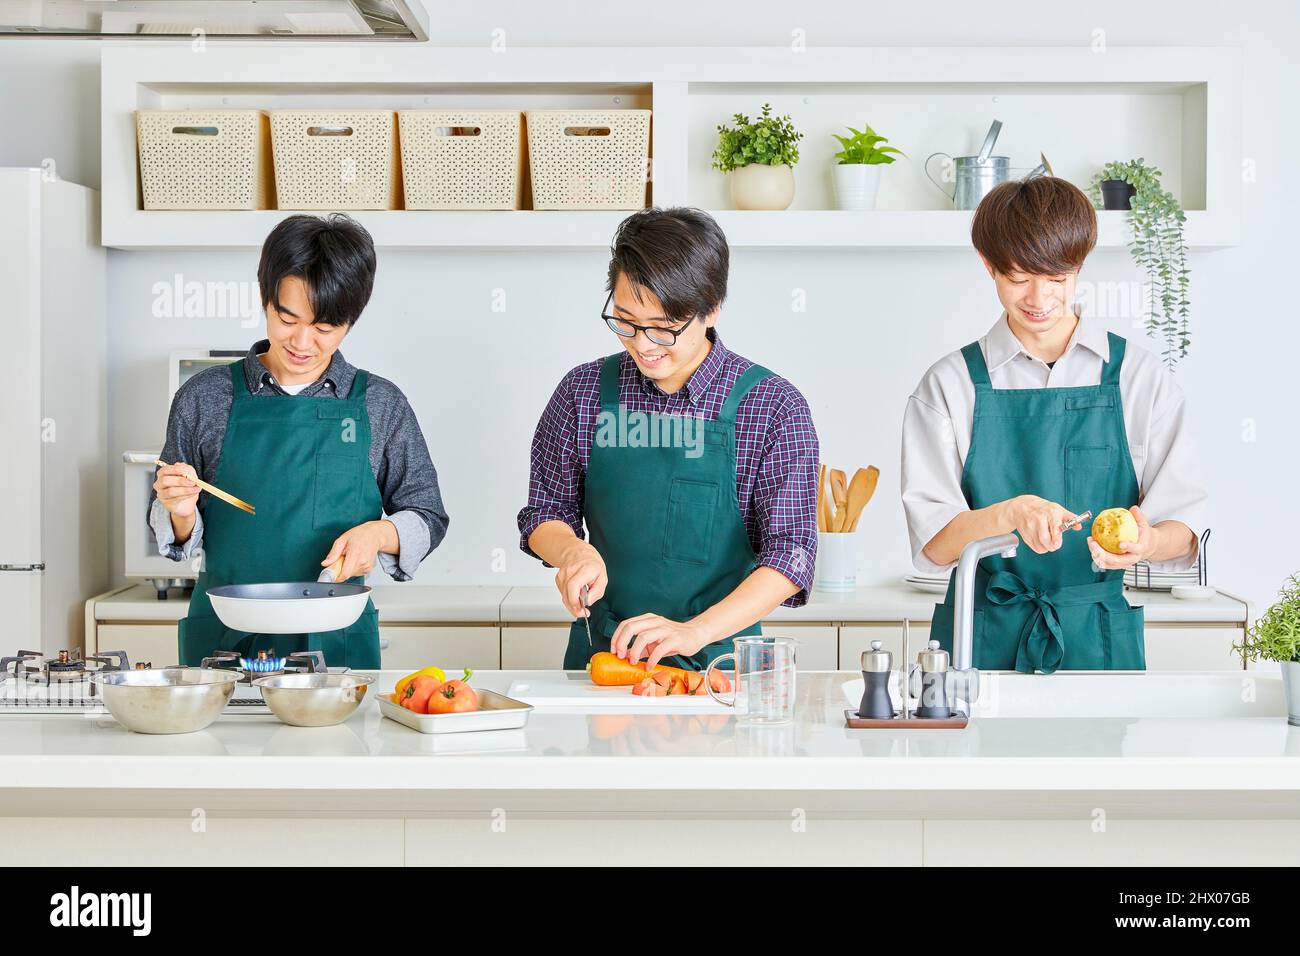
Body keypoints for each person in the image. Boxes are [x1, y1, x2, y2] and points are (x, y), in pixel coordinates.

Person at [901, 177, 1207, 672]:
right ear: (989, 266)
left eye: (1058, 277)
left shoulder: (1139, 378)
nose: (1039, 297)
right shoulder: (948, 385)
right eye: (1019, 277)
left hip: (1098, 638)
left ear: (1080, 265)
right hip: (980, 635)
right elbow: (935, 546)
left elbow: (1185, 532)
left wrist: (1148, 542)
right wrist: (1010, 514)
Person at [518, 207, 819, 672]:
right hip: (604, 660)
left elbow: (791, 555)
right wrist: (573, 553)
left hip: (721, 669)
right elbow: (544, 513)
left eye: (664, 326)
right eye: (625, 321)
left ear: (711, 309)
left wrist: (694, 631)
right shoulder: (582, 393)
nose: (643, 343)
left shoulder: (774, 407)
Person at [151, 213, 449, 668]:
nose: (302, 341)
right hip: (225, 643)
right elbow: (176, 531)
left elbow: (428, 515)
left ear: (350, 322)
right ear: (265, 298)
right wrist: (180, 511)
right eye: (287, 318)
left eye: (325, 327)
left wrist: (380, 533)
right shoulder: (204, 397)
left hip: (336, 647)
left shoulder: (380, 404)